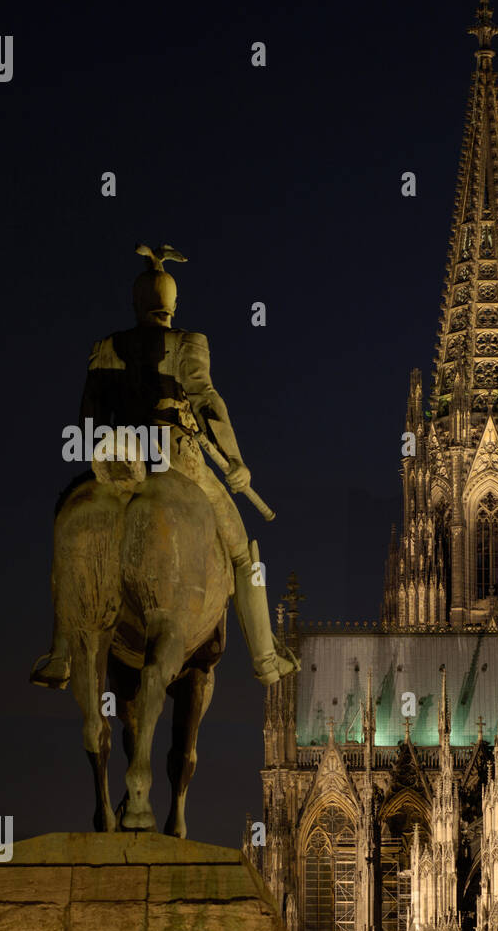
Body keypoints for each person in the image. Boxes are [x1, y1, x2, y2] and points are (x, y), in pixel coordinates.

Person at [31, 244, 299, 688]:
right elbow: (207, 401)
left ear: (137, 303)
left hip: (115, 458)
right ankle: (266, 658)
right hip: (179, 459)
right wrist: (235, 461)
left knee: (67, 532)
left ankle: (60, 655)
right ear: (171, 305)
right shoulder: (187, 343)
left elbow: (88, 419)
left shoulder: (105, 348)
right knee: (241, 551)